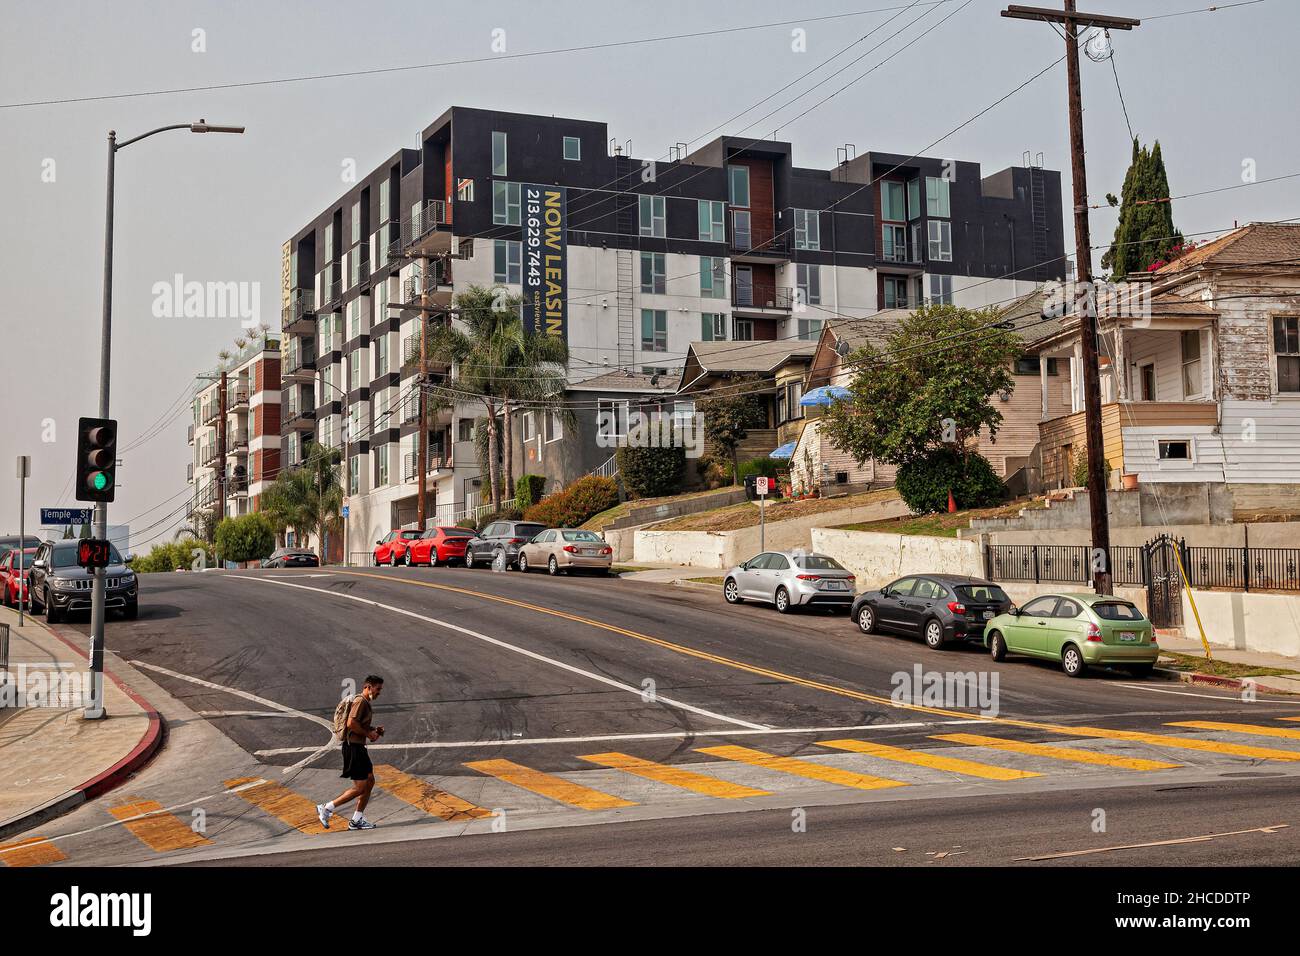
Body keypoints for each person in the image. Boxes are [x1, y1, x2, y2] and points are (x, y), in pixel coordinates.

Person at [317, 675, 385, 831]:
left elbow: (358, 724)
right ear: (368, 686)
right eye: (378, 689)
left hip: (358, 747)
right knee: (361, 787)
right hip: (353, 747)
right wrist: (368, 734)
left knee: (370, 781)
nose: (379, 692)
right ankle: (326, 808)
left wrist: (373, 730)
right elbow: (351, 723)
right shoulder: (361, 701)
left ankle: (357, 819)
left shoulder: (365, 702)